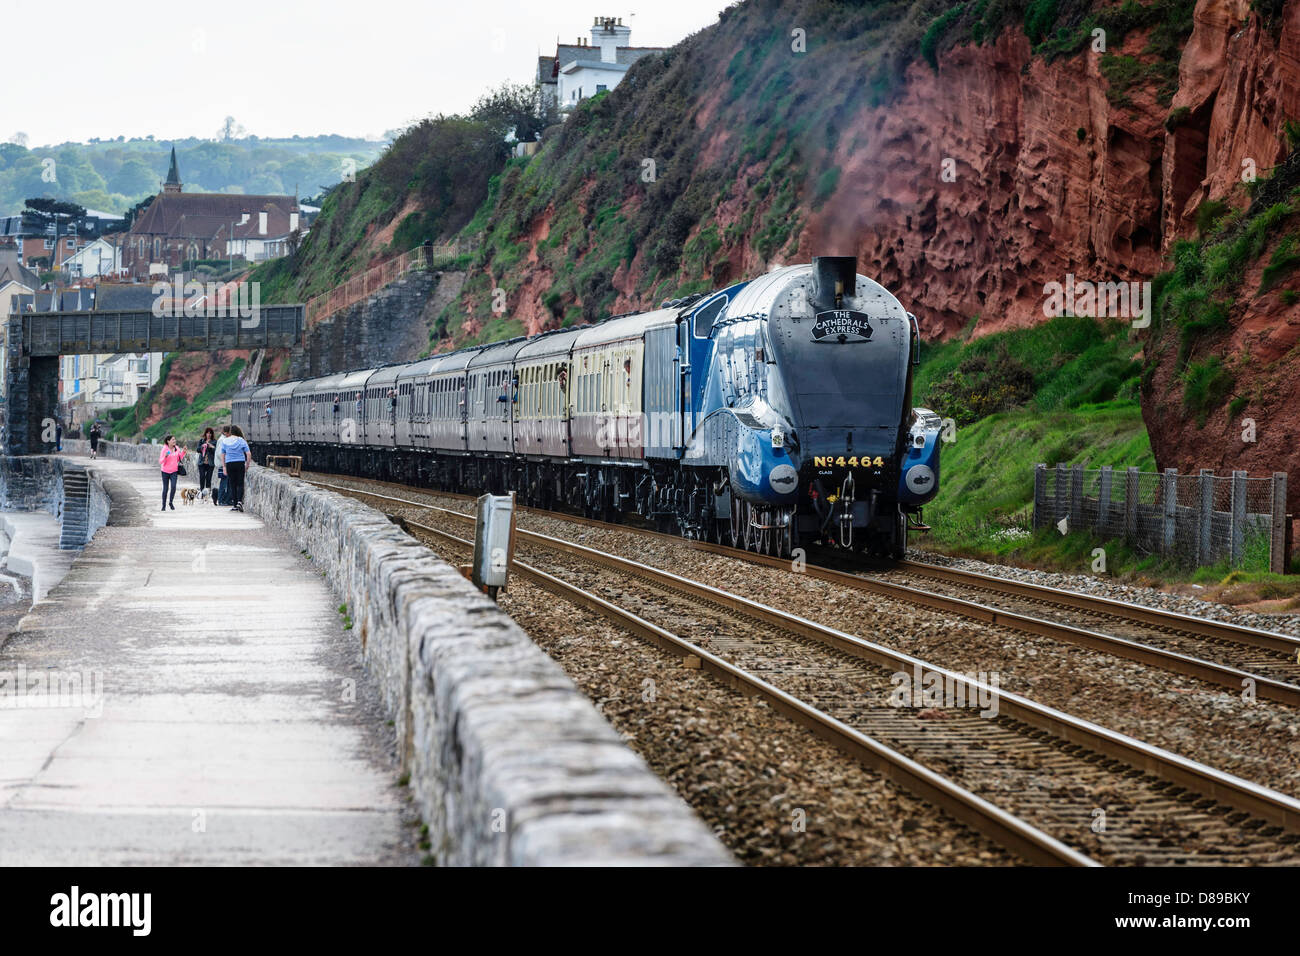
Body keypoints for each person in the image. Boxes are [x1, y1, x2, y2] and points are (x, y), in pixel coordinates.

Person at [220, 424, 251, 512]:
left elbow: (223, 454)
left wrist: (224, 467)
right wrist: (247, 464)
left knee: (232, 484)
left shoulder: (225, 441)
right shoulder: (241, 440)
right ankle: (239, 502)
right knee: (240, 483)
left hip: (229, 464)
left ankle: (234, 505)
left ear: (230, 432)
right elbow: (248, 454)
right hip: (240, 463)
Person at [159, 435, 186, 511]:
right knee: (165, 489)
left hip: (174, 471)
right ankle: (163, 505)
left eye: (175, 439)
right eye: (173, 440)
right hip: (165, 471)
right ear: (168, 441)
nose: (174, 441)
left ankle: (171, 502)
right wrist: (165, 456)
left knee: (173, 487)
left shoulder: (176, 448)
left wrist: (183, 451)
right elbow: (160, 461)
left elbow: (179, 458)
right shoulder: (165, 449)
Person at [214, 425, 233, 506]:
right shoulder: (222, 440)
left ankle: (227, 500)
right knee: (224, 483)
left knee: (227, 483)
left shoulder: (224, 439)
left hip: (224, 464)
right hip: (223, 465)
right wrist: (225, 463)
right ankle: (221, 500)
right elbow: (219, 453)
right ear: (227, 432)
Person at [197, 427, 217, 497]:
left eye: (210, 433)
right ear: (205, 433)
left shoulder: (214, 441)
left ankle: (207, 493)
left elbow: (216, 452)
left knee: (208, 478)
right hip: (202, 462)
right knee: (202, 477)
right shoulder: (201, 441)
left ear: (212, 434)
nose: (209, 434)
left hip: (210, 463)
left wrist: (212, 447)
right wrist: (203, 446)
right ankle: (202, 492)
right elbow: (198, 450)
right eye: (207, 433)